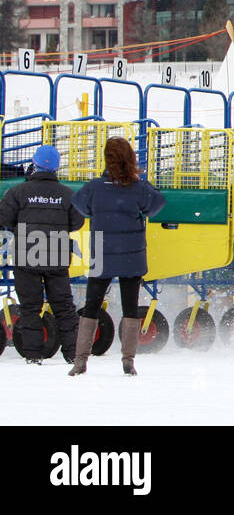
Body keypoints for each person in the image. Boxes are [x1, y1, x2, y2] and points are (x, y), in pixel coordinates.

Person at [68, 137, 166, 376]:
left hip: (102, 250)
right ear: (130, 158)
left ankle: (80, 361)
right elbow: (156, 204)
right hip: (132, 254)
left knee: (91, 305)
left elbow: (80, 205)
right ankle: (128, 361)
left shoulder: (94, 187)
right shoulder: (139, 188)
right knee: (130, 307)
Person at [0, 145, 84, 364]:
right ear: (56, 167)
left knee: (30, 307)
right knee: (64, 307)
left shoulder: (17, 192)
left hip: (26, 256)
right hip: (56, 256)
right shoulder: (67, 194)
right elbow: (77, 223)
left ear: (34, 164)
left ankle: (33, 354)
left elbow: (4, 219)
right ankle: (73, 355)